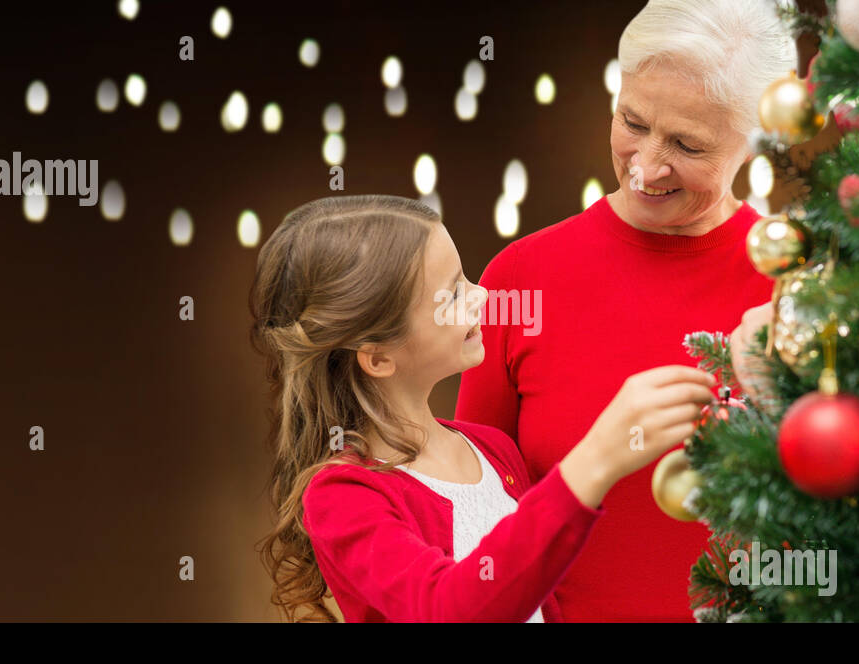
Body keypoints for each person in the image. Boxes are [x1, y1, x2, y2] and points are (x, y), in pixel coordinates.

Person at [455, 0, 796, 621]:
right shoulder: (519, 280)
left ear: (756, 141)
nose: (646, 166)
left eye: (688, 144)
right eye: (632, 122)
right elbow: (476, 521)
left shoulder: (795, 290)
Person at [249, 194, 717, 622]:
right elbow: (449, 608)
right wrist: (595, 460)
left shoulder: (492, 450)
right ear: (378, 357)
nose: (484, 296)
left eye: (466, 277)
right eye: (452, 293)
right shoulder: (342, 496)